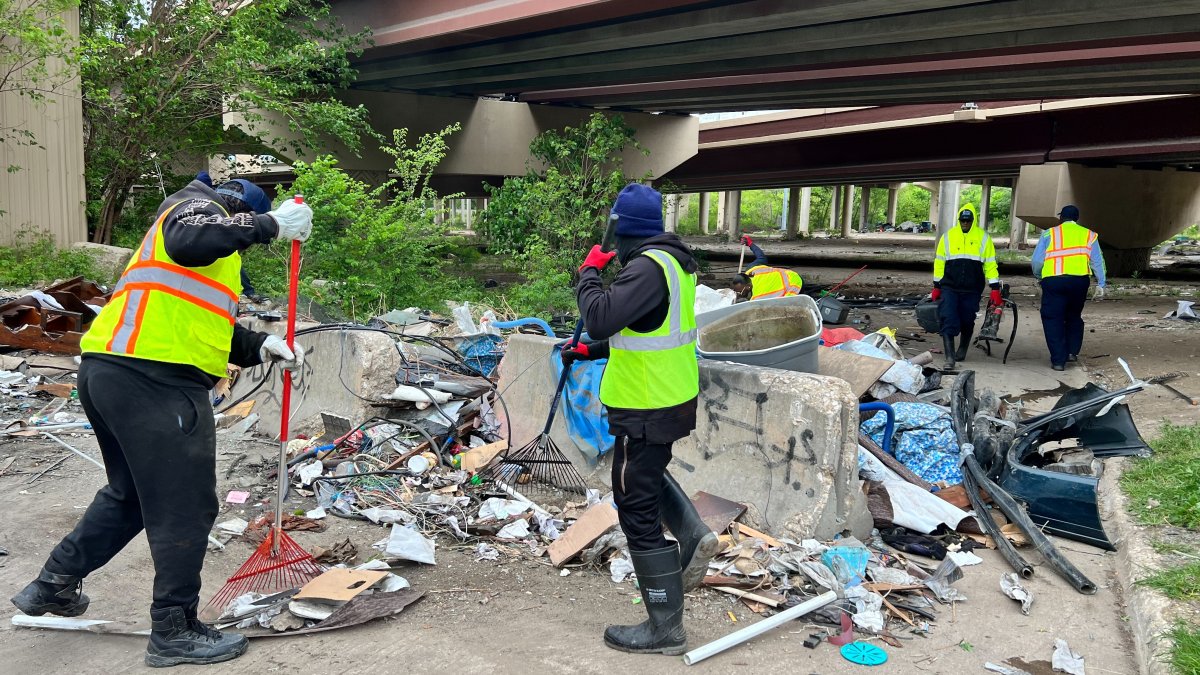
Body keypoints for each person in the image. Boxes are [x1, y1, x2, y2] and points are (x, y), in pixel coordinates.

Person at [10, 176, 313, 667]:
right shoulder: (194, 208)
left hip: (112, 370)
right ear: (237, 207)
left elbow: (195, 318)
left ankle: (52, 586)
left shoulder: (206, 249)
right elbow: (191, 237)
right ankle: (174, 627)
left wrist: (260, 345)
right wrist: (269, 225)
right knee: (185, 504)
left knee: (129, 495)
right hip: (154, 380)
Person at [565, 183, 719, 656]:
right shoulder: (673, 263)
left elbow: (599, 315)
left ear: (622, 229)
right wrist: (594, 350)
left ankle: (665, 628)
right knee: (645, 480)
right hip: (664, 398)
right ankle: (694, 535)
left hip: (647, 405)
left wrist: (588, 275)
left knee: (634, 501)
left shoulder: (649, 268)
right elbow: (648, 331)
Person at [1031, 204, 1106, 371]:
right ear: (1077, 219)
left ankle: (1058, 360)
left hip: (1054, 282)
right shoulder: (1089, 235)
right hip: (1079, 282)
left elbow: (1037, 261)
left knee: (1053, 318)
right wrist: (1101, 283)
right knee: (1073, 316)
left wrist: (1039, 276)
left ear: (1060, 218)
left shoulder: (1049, 233)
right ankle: (1072, 352)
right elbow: (1097, 261)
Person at [931, 203, 1001, 369]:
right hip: (950, 287)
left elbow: (990, 264)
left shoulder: (983, 238)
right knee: (948, 317)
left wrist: (995, 287)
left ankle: (962, 349)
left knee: (967, 319)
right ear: (959, 220)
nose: (965, 224)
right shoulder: (948, 237)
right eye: (962, 221)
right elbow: (939, 262)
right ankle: (949, 358)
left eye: (968, 221)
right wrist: (936, 285)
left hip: (972, 288)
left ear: (973, 221)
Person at [728, 234, 803, 301]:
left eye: (740, 292)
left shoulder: (758, 296)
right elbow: (761, 257)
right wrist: (750, 244)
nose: (739, 294)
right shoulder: (752, 269)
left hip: (794, 284)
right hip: (789, 273)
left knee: (787, 303)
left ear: (748, 287)